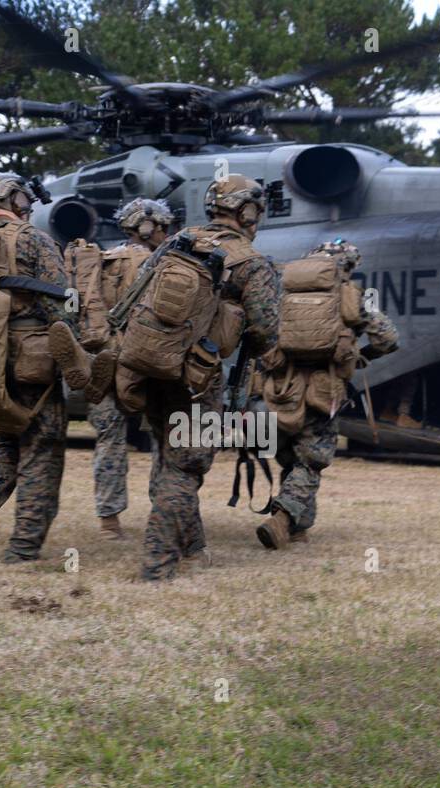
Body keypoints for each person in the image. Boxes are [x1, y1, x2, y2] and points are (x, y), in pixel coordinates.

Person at [0, 171, 104, 564]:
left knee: (11, 441)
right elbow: (61, 305)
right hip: (33, 362)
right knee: (42, 448)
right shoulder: (33, 239)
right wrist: (79, 345)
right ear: (17, 202)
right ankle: (23, 548)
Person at [127, 174, 282, 581]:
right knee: (186, 468)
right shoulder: (251, 261)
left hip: (151, 367)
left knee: (168, 458)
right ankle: (156, 566)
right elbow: (266, 329)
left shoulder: (173, 243)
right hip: (198, 379)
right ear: (247, 212)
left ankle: (192, 551)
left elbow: (134, 293)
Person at [256, 239, 399, 548]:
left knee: (293, 459)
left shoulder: (283, 294)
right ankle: (282, 517)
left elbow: (259, 334)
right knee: (311, 462)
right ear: (346, 266)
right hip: (324, 392)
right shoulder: (351, 296)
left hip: (280, 389)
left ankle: (299, 529)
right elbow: (388, 338)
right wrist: (363, 356)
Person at [69, 198, 174, 540]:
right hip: (153, 366)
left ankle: (109, 522)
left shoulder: (100, 262)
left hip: (107, 361)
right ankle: (164, 513)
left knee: (109, 441)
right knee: (164, 441)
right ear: (155, 227)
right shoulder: (170, 265)